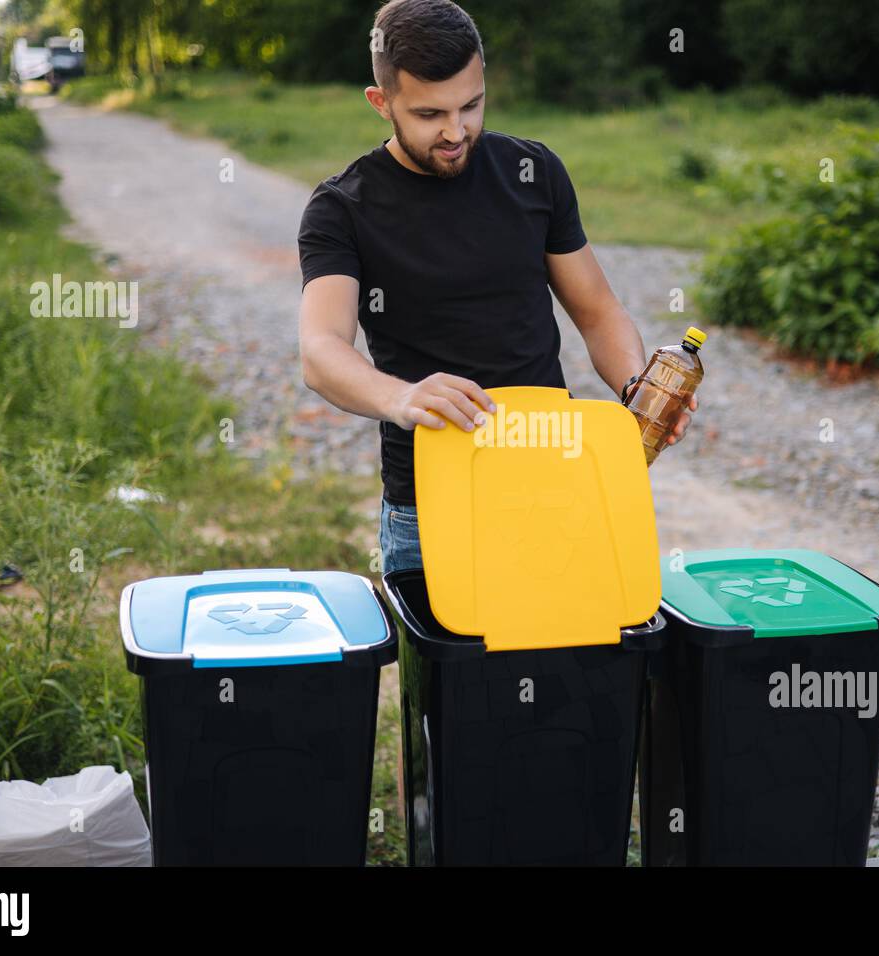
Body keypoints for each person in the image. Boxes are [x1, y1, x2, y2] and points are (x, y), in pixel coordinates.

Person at [297, 0, 695, 576]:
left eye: (472, 105)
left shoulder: (533, 172)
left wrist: (635, 385)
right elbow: (321, 350)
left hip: (551, 480)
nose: (456, 131)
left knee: (570, 661)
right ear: (381, 103)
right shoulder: (342, 208)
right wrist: (400, 398)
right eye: (430, 114)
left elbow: (597, 310)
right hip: (430, 504)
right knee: (451, 670)